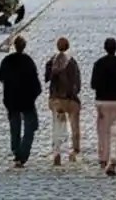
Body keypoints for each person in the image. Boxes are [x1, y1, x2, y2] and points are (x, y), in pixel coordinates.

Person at [0, 35, 42, 167]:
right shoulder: (28, 61)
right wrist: (34, 94)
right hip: (27, 101)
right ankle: (23, 153)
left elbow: (1, 77)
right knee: (30, 127)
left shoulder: (7, 60)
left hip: (11, 99)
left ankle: (16, 150)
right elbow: (35, 82)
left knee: (14, 127)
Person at [90, 37, 116, 176]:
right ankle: (114, 157)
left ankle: (103, 157)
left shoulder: (99, 63)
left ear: (105, 48)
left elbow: (93, 84)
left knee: (103, 131)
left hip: (102, 101)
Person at [44, 37, 82, 166]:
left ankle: (57, 152)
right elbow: (78, 83)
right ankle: (74, 151)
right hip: (70, 99)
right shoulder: (72, 62)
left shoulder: (52, 61)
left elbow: (46, 78)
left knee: (57, 124)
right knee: (74, 125)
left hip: (56, 99)